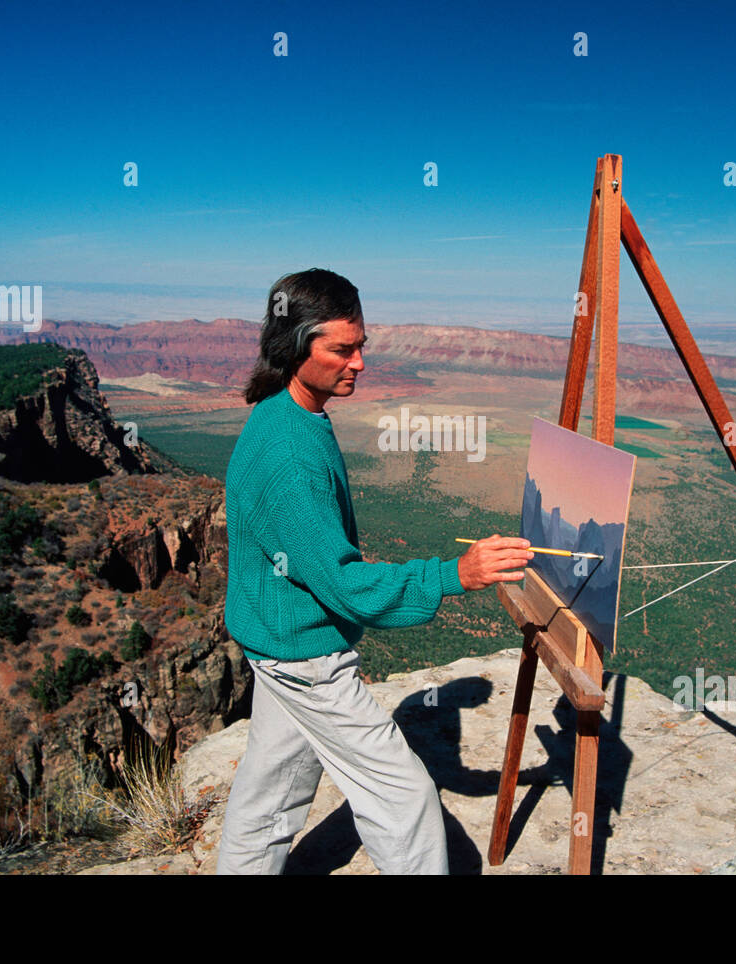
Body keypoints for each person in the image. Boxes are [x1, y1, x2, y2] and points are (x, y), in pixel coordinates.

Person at [216, 267, 532, 875]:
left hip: (276, 639)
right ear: (295, 346)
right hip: (306, 658)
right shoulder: (290, 455)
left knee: (270, 795)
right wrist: (452, 575)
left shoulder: (284, 413)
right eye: (342, 349)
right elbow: (343, 584)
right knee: (404, 799)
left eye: (361, 346)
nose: (359, 362)